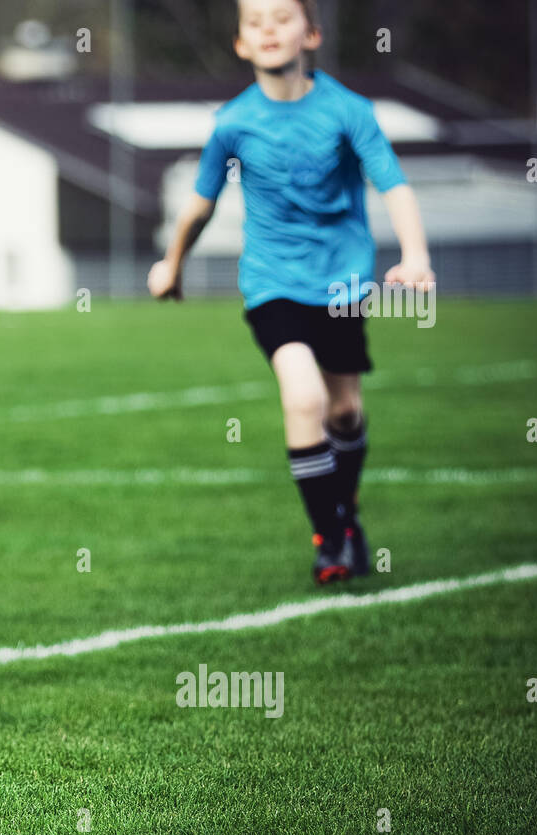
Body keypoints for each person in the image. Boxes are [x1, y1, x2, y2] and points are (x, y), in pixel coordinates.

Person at [147, 0, 436, 583]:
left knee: (345, 411)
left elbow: (394, 186)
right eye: (256, 22)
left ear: (311, 33)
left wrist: (416, 256)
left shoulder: (349, 111)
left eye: (282, 18)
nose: (269, 29)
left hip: (342, 285)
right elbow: (200, 206)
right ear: (241, 44)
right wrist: (171, 265)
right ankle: (330, 543)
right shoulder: (232, 122)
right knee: (302, 398)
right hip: (272, 284)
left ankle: (346, 515)